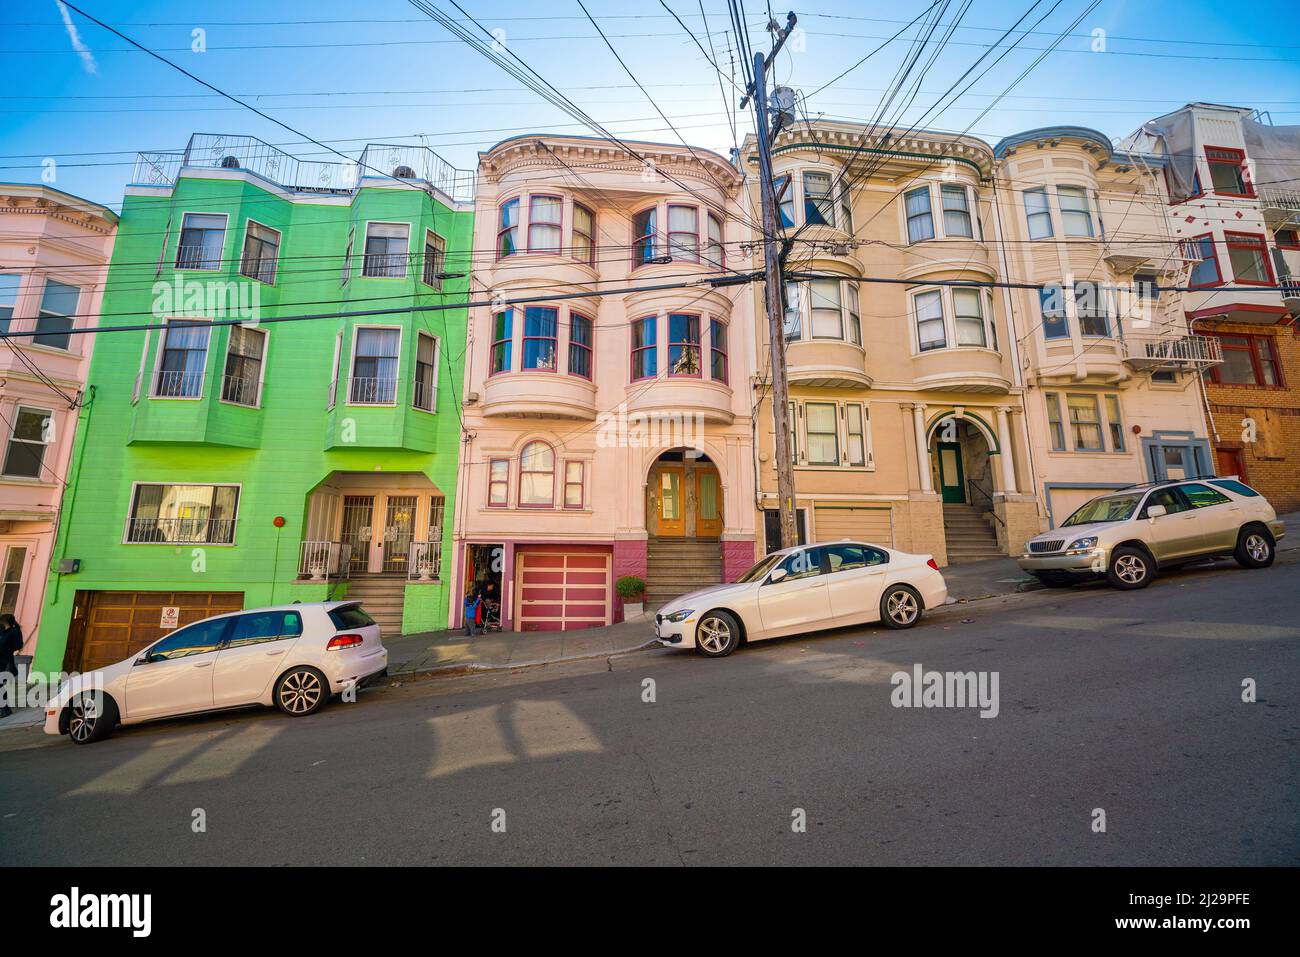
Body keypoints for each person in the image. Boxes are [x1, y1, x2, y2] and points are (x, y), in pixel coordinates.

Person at [0, 614, 22, 719]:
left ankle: (5, 709)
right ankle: (4, 708)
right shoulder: (2, 631)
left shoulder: (15, 632)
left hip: (6, 661)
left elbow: (18, 645)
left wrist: (9, 649)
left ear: (6, 621)